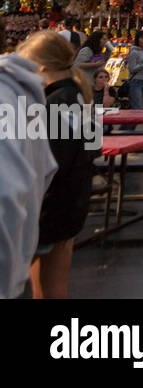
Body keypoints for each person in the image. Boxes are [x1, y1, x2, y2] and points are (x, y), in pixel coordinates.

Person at [18, 31, 96, 299]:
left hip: (45, 211)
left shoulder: (52, 104)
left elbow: (47, 166)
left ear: (40, 67)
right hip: (70, 208)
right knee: (52, 290)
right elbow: (93, 147)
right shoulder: (80, 98)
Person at [0, 51, 58, 298]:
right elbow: (48, 166)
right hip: (57, 206)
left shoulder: (57, 98)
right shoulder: (27, 96)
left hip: (54, 208)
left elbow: (7, 193)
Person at [123, 30, 143, 112]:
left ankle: (130, 124)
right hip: (135, 81)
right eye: (142, 37)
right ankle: (127, 125)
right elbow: (132, 69)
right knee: (138, 108)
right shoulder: (133, 52)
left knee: (140, 108)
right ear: (137, 39)